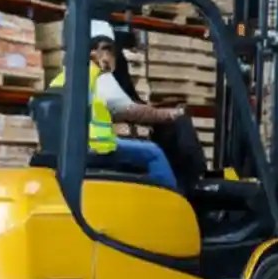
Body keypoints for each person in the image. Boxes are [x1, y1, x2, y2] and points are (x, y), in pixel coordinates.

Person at [48, 21, 181, 190]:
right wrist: (169, 114)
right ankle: (171, 200)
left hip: (74, 149)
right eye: (107, 49)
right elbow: (131, 111)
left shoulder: (64, 76)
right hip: (95, 148)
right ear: (93, 51)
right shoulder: (97, 76)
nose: (111, 55)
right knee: (153, 153)